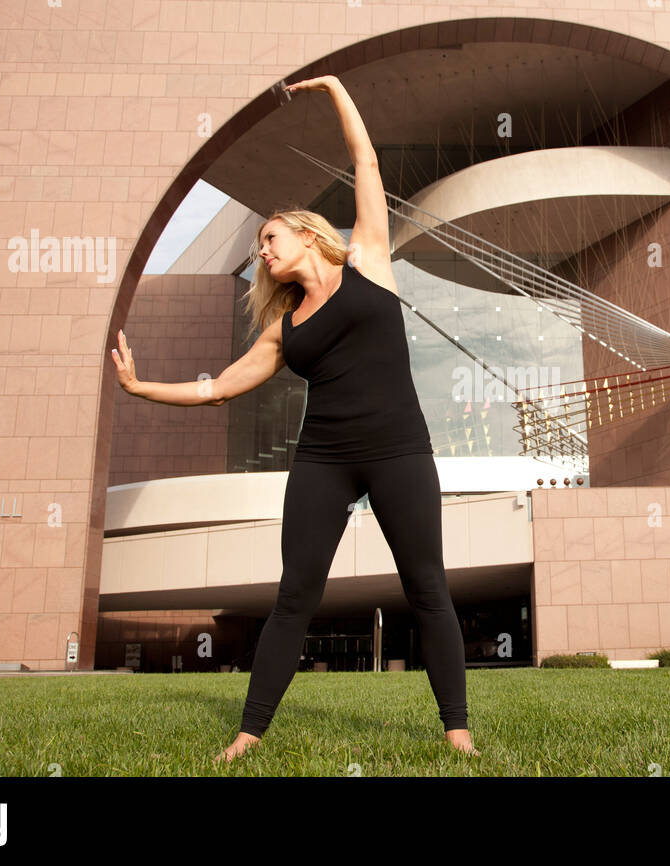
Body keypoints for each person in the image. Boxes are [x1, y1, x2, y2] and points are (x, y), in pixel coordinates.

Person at [111, 74, 478, 763]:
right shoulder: (285, 328)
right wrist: (138, 388)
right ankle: (247, 735)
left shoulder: (370, 258)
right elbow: (218, 388)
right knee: (294, 597)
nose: (263, 250)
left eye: (269, 237)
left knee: (427, 585)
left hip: (399, 448)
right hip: (324, 460)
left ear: (307, 236)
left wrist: (337, 88)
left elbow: (365, 163)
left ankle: (457, 734)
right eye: (257, 246)